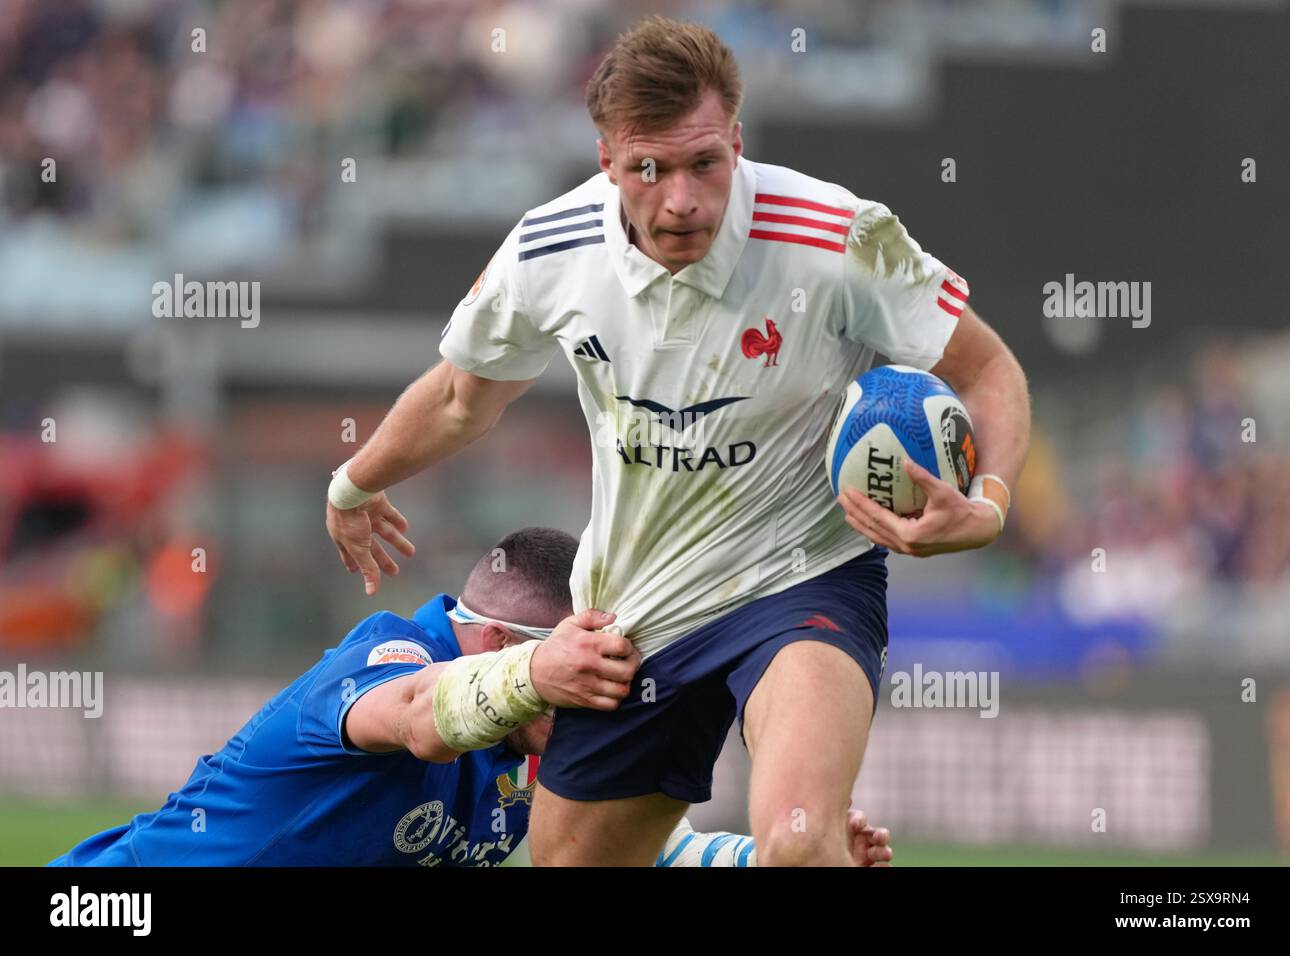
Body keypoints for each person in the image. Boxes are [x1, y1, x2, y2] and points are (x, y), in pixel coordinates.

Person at [324, 17, 1029, 866]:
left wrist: (988, 505)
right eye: (648, 169)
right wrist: (352, 485)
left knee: (800, 846)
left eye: (705, 163)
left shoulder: (836, 236)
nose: (682, 199)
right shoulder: (552, 249)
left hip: (802, 579)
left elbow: (988, 370)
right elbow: (458, 401)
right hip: (636, 612)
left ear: (737, 139)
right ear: (606, 161)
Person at [49, 528, 892, 867]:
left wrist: (780, 856)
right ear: (495, 641)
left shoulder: (530, 744)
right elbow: (418, 718)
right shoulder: (390, 659)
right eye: (579, 673)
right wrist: (538, 678)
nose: (599, 699)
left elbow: (652, 846)